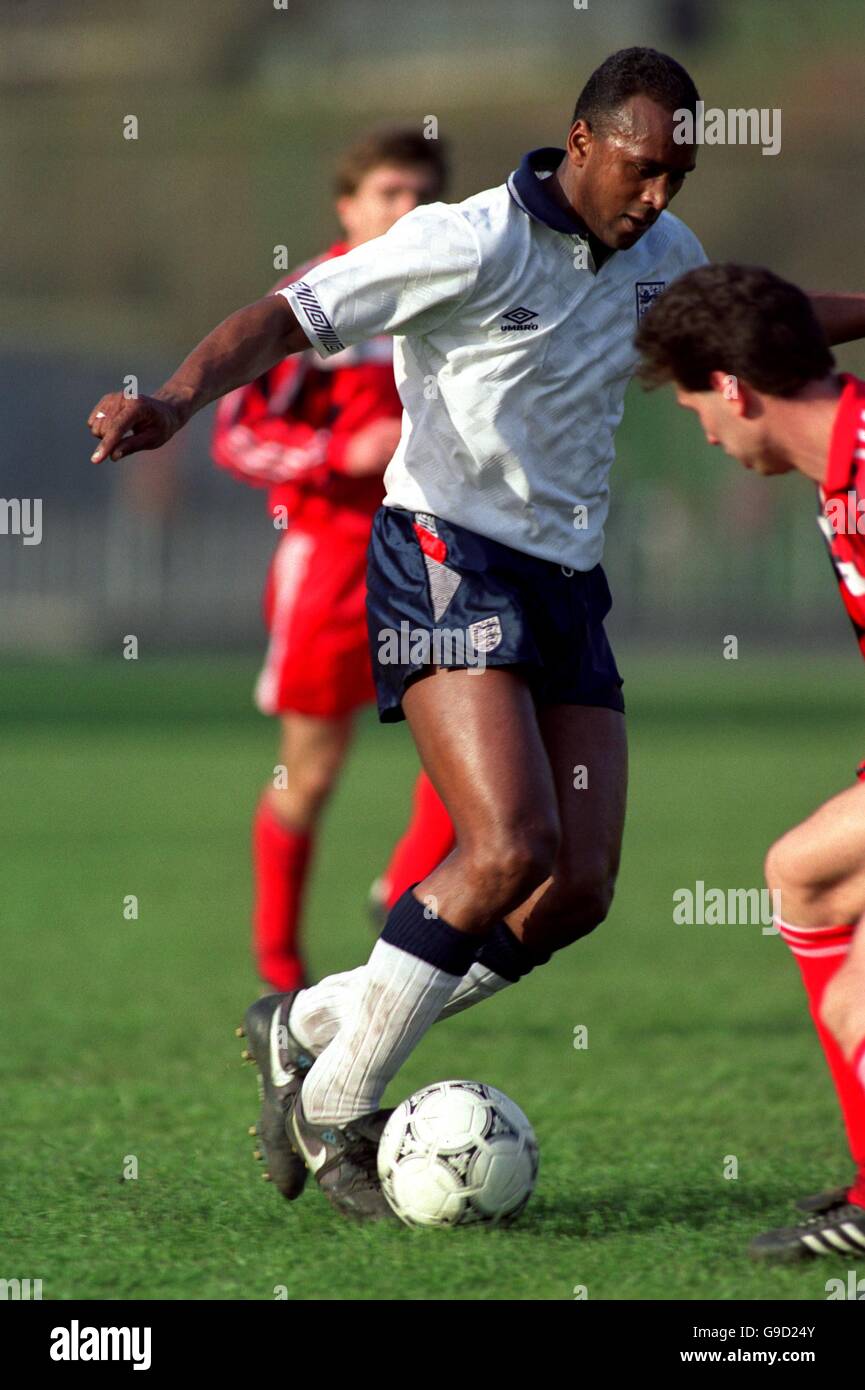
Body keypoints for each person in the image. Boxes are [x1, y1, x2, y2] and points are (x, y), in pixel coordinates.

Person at [87, 47, 865, 1223]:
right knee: (507, 842)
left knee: (580, 885)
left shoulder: (669, 257)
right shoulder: (466, 238)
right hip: (444, 553)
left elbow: (768, 322)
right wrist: (176, 400)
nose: (659, 195)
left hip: (566, 581)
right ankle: (335, 1100)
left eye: (680, 175)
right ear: (586, 142)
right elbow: (285, 316)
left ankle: (303, 1022)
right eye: (644, 168)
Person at [635, 261, 865, 1261]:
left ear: (732, 387)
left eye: (695, 410)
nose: (707, 435)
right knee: (802, 872)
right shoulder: (840, 468)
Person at [210, 127, 455, 997]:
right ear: (347, 207)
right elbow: (238, 435)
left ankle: (406, 895)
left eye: (424, 194)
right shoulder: (311, 302)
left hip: (440, 554)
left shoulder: (459, 290)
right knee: (309, 769)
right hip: (332, 566)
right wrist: (335, 451)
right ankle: (280, 969)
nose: (408, 210)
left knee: (478, 740)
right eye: (389, 192)